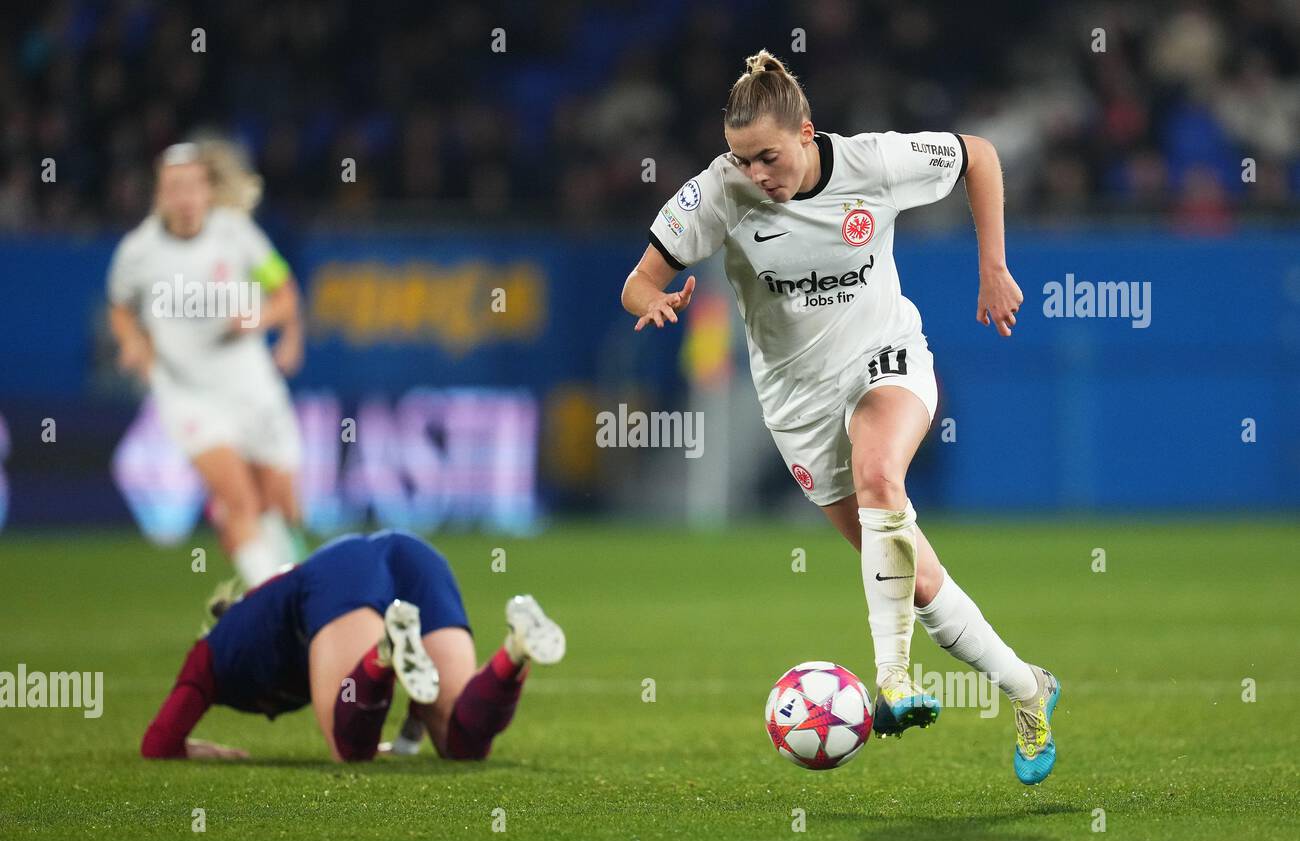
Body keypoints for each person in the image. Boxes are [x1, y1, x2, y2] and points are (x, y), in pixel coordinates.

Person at [620, 50, 1060, 784]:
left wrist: (994, 265)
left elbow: (979, 157)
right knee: (914, 575)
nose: (755, 172)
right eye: (741, 158)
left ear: (806, 133)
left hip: (887, 361)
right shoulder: (719, 193)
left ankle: (892, 680)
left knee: (879, 472)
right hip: (798, 406)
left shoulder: (873, 162)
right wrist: (655, 303)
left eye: (767, 156)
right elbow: (640, 279)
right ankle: (1027, 688)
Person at [140, 530, 565, 762]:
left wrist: (193, 751)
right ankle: (516, 650)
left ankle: (383, 656)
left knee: (350, 749)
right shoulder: (256, 619)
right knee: (464, 743)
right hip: (412, 553)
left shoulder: (210, 658)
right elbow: (427, 691)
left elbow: (157, 743)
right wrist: (408, 739)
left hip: (341, 571)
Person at [107, 139, 305, 585]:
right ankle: (270, 597)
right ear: (160, 195)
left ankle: (279, 568)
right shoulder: (138, 253)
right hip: (186, 393)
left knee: (284, 507)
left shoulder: (237, 235)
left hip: (251, 385)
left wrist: (264, 322)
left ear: (207, 193)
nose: (185, 197)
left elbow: (285, 294)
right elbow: (119, 306)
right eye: (174, 187)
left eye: (193, 187)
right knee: (239, 501)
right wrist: (133, 341)